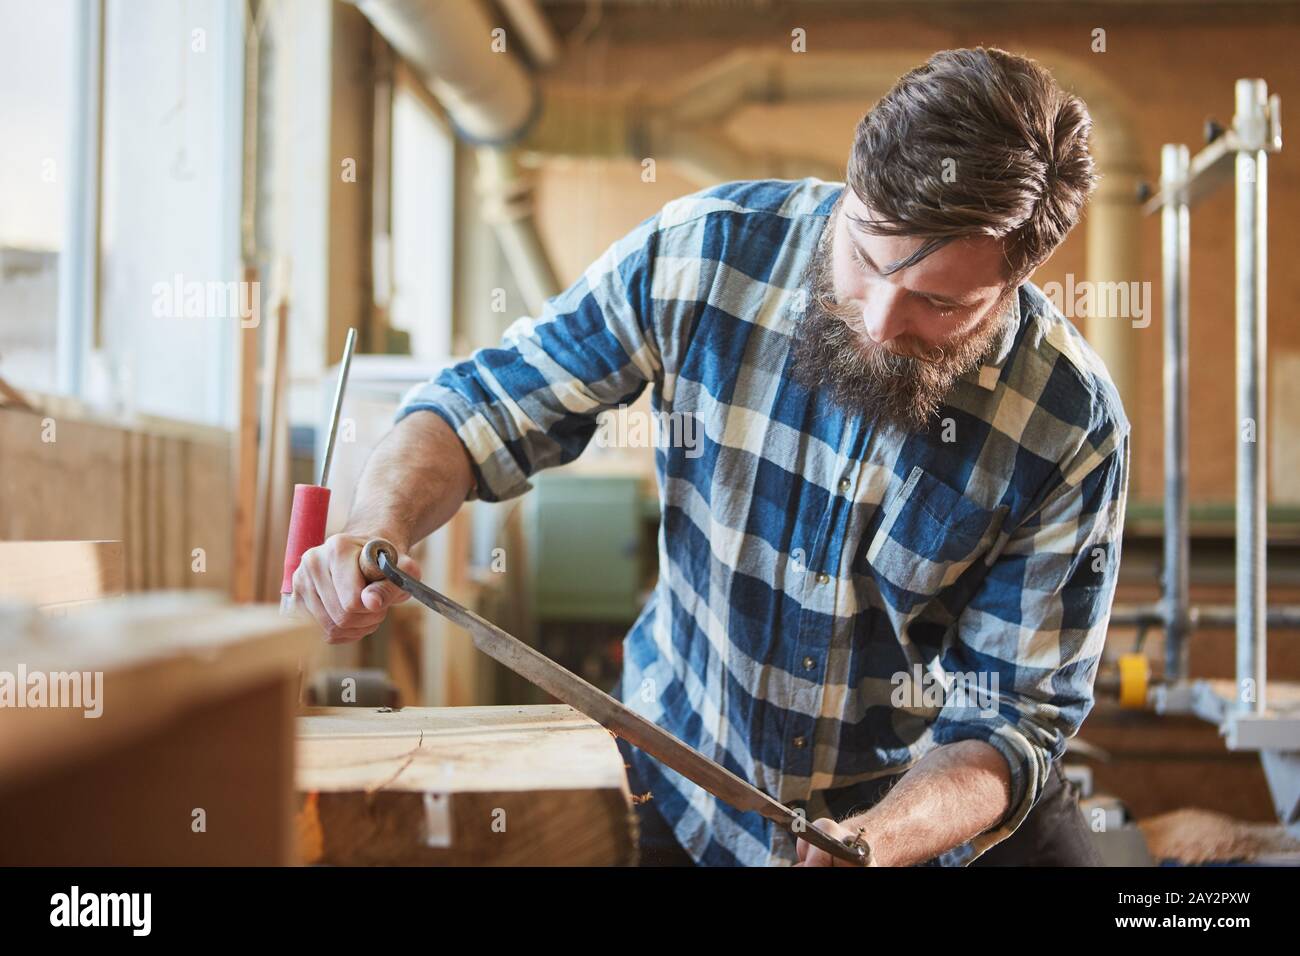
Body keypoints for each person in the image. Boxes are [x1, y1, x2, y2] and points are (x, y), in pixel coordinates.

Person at [292, 46, 1129, 867]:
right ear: (851, 187)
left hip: (903, 814)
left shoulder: (1071, 429)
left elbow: (1011, 720)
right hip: (680, 777)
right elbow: (480, 407)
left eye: (938, 303)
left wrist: (877, 843)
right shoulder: (703, 255)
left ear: (1014, 281)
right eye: (863, 261)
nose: (878, 321)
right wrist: (377, 523)